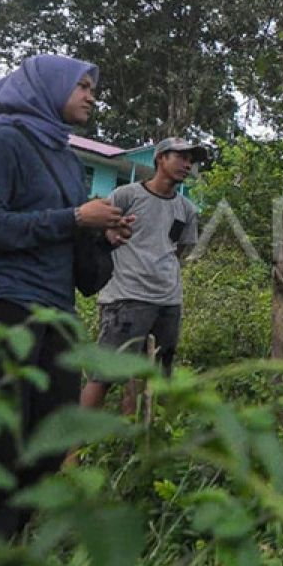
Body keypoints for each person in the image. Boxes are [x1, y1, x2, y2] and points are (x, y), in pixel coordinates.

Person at [0, 54, 133, 537]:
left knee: (49, 438)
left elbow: (81, 267)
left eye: (93, 86)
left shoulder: (66, 159)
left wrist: (100, 238)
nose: (92, 95)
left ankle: (3, 543)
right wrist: (74, 220)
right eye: (82, 86)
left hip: (53, 312)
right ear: (48, 88)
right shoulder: (2, 138)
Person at [79, 137, 205, 416]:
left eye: (190, 160)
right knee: (104, 375)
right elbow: (98, 228)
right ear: (160, 158)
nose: (187, 164)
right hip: (126, 298)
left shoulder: (186, 209)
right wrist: (109, 233)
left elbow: (179, 249)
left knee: (154, 377)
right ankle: (71, 454)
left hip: (168, 302)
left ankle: (132, 446)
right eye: (181, 157)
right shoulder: (127, 196)